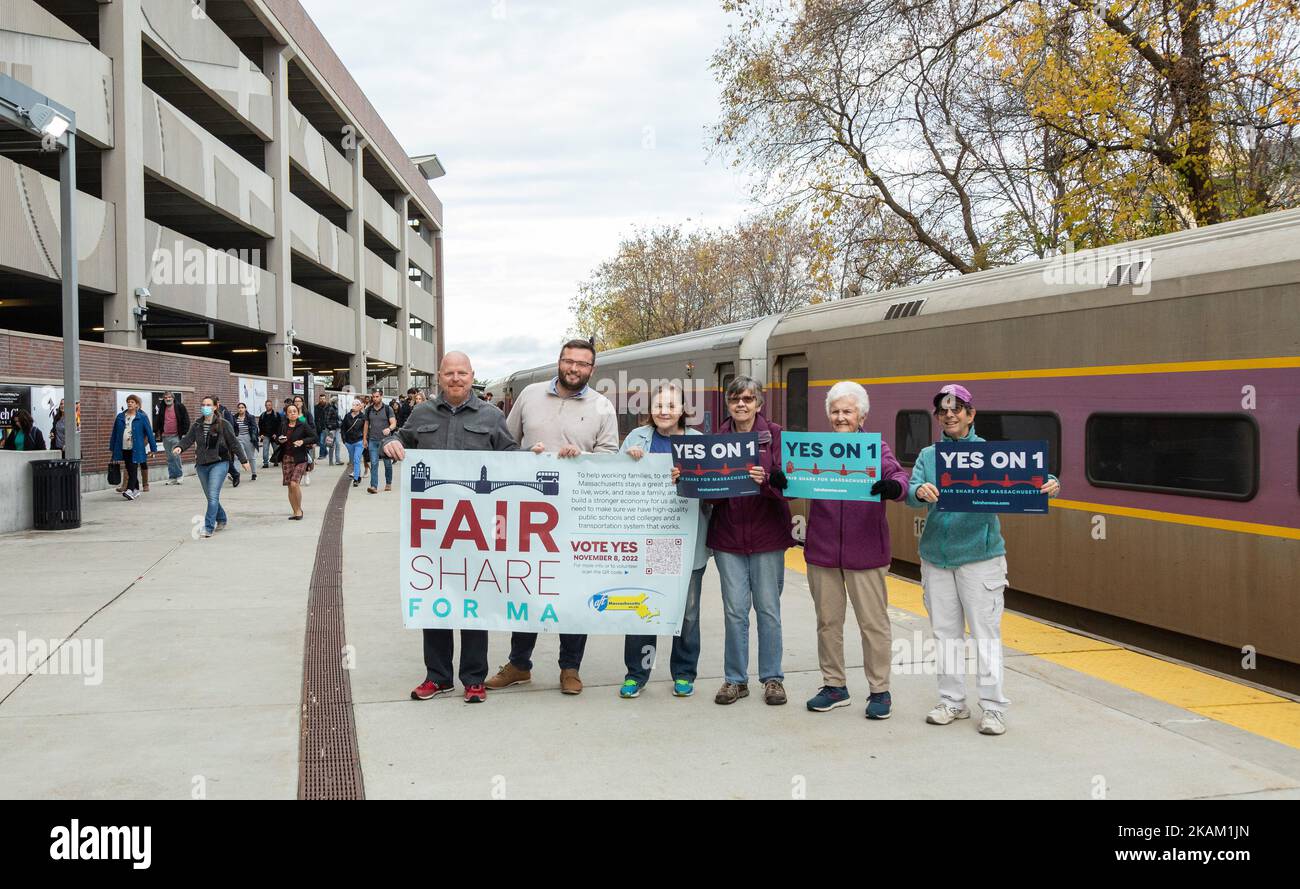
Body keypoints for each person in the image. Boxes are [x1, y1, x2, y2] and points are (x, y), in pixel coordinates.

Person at [906, 384, 1060, 736]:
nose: (949, 414)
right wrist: (918, 492)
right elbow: (912, 498)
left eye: (957, 408)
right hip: (936, 557)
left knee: (985, 634)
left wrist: (1051, 482)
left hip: (981, 558)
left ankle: (992, 707)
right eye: (943, 410)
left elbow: (1031, 478)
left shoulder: (992, 454)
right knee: (945, 635)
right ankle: (952, 702)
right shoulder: (929, 456)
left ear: (971, 414)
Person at [382, 351, 517, 704]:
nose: (455, 378)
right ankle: (438, 677)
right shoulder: (422, 413)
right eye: (449, 373)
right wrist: (390, 443)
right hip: (433, 531)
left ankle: (474, 678)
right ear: (439, 377)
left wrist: (536, 455)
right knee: (435, 601)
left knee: (474, 602)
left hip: (477, 528)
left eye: (462, 373)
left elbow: (513, 457)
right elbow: (398, 441)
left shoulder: (492, 416)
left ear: (472, 376)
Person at [487, 338, 618, 696]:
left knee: (574, 591)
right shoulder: (529, 395)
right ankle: (519, 663)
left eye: (582, 364)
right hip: (529, 512)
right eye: (569, 361)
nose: (574, 368)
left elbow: (611, 457)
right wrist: (529, 452)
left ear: (592, 369)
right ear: (559, 362)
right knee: (529, 585)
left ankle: (570, 667)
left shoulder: (602, 406)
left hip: (577, 513)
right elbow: (505, 444)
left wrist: (585, 458)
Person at [801, 381, 911, 719]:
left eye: (847, 411)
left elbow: (901, 480)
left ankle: (880, 690)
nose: (840, 417)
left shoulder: (876, 449)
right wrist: (780, 482)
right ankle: (835, 686)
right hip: (823, 551)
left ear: (861, 414)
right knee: (828, 623)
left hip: (866, 552)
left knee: (873, 624)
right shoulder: (815, 448)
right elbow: (789, 485)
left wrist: (893, 486)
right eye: (835, 411)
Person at [618, 383, 710, 699]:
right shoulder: (635, 439)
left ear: (683, 409)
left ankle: (684, 674)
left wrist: (690, 478)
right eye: (659, 405)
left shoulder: (698, 442)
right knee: (643, 608)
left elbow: (712, 489)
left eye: (671, 405)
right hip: (647, 541)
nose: (664, 410)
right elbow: (616, 485)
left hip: (686, 540)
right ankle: (637, 673)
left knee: (687, 613)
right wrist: (627, 462)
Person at [708, 375, 792, 706]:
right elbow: (708, 495)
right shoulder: (716, 439)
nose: (741, 404)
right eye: (734, 399)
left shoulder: (776, 437)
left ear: (759, 403)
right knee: (735, 611)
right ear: (727, 404)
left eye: (747, 399)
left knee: (768, 609)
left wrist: (768, 480)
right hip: (728, 537)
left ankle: (773, 678)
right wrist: (689, 480)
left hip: (768, 535)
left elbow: (792, 486)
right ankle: (735, 679)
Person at [173, 396, 249, 536]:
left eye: (208, 405)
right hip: (202, 464)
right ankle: (222, 518)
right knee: (210, 497)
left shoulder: (223, 424)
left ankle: (208, 527)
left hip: (219, 463)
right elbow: (188, 439)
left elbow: (234, 443)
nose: (205, 407)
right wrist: (179, 447)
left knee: (213, 495)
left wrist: (244, 460)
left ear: (215, 407)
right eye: (203, 404)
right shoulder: (197, 424)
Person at [109, 395, 157, 501]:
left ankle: (130, 489)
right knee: (129, 467)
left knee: (133, 467)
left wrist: (153, 448)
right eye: (128, 402)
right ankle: (136, 490)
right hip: (124, 447)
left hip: (137, 447)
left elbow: (149, 433)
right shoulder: (120, 417)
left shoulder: (142, 417)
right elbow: (115, 433)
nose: (130, 404)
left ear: (137, 405)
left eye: (132, 402)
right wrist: (112, 448)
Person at [275, 402, 317, 520]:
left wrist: (302, 441)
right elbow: (278, 439)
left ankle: (299, 510)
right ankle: (295, 510)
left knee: (294, 484)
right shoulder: (283, 425)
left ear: (298, 413)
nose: (292, 413)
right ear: (287, 415)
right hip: (286, 458)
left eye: (294, 411)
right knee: (289, 486)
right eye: (290, 412)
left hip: (300, 458)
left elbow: (314, 437)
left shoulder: (303, 425)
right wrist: (280, 440)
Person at [362, 388, 396, 493]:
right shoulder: (368, 409)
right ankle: (374, 486)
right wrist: (364, 438)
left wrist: (389, 428)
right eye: (373, 397)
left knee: (387, 464)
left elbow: (394, 423)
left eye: (377, 396)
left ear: (381, 396)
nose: (375, 398)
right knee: (374, 463)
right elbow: (366, 424)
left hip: (385, 441)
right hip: (373, 440)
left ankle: (388, 483)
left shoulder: (388, 409)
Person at [153, 392, 190, 485]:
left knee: (176, 456)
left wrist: (184, 433)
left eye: (169, 397)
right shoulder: (162, 408)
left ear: (173, 398)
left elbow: (186, 419)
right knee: (169, 458)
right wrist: (155, 430)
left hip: (176, 436)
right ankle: (172, 477)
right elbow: (158, 420)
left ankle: (179, 475)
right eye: (165, 397)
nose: (167, 399)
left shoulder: (180, 407)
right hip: (165, 436)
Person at [340, 397, 367, 488]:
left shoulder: (363, 417)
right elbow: (343, 428)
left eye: (357, 404)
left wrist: (365, 440)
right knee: (353, 460)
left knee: (356, 459)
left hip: (359, 441)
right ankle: (358, 475)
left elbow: (366, 430)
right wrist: (344, 439)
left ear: (360, 407)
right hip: (349, 442)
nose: (354, 406)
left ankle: (355, 479)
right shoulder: (347, 416)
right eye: (353, 404)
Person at [231, 402, 259, 482]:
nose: (240, 409)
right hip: (238, 437)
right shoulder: (234, 418)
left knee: (251, 457)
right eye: (239, 407)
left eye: (242, 407)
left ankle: (254, 473)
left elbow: (254, 428)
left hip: (248, 437)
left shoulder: (250, 417)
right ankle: (236, 475)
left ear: (245, 409)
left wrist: (254, 437)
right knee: (237, 456)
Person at [293, 395, 315, 484]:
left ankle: (306, 474)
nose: (297, 403)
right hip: (294, 439)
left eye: (299, 401)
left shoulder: (307, 414)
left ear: (302, 403)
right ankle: (297, 475)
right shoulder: (291, 413)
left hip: (305, 439)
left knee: (305, 458)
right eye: (295, 401)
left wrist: (313, 440)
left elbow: (311, 426)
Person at [258, 399, 281, 468]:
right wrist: (261, 434)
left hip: (274, 435)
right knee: (265, 449)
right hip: (266, 435)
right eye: (266, 405)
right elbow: (260, 425)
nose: (267, 406)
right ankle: (265, 463)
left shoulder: (276, 415)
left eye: (269, 405)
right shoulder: (262, 415)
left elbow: (279, 425)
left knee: (276, 449)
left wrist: (276, 434)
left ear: (271, 405)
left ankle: (276, 461)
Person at [325, 395, 343, 465]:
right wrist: (330, 428)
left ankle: (338, 460)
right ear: (335, 402)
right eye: (338, 401)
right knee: (331, 445)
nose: (339, 402)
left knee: (338, 443)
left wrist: (341, 422)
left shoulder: (337, 408)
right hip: (332, 429)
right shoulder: (331, 408)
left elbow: (338, 418)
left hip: (337, 428)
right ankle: (330, 461)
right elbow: (327, 419)